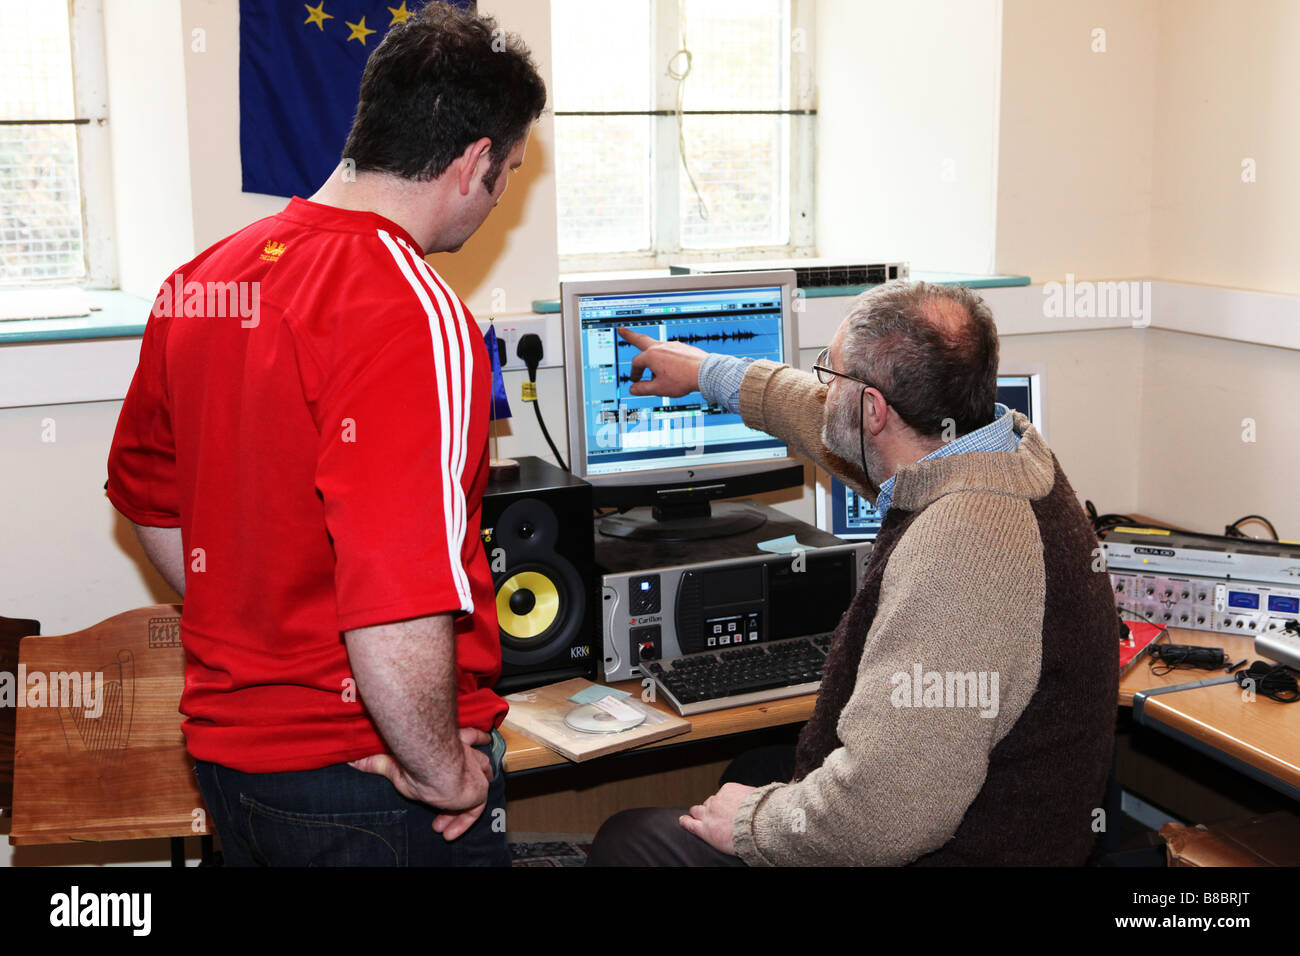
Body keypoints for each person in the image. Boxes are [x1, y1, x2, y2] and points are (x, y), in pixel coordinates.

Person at [105, 4, 546, 866]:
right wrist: (443, 771)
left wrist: (270, 645)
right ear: (472, 164)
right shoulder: (414, 313)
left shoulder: (202, 280)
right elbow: (399, 592)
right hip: (375, 782)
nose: (499, 202)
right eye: (509, 175)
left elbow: (151, 503)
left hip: (234, 766)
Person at [588, 280, 1121, 866]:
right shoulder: (997, 451)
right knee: (755, 767)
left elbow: (883, 817)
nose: (823, 387)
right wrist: (708, 372)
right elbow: (824, 417)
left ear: (873, 410)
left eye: (830, 372)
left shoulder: (967, 544)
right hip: (1000, 813)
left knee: (629, 839)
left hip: (954, 847)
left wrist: (750, 822)